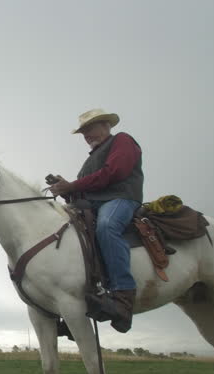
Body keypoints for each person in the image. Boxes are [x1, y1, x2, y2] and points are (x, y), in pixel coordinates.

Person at [50, 108, 144, 332]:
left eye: (90, 129)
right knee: (68, 231)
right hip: (94, 204)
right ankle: (80, 297)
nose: (87, 136)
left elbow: (115, 173)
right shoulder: (90, 160)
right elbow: (86, 190)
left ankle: (123, 296)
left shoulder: (122, 141)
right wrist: (67, 190)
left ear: (106, 125)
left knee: (107, 226)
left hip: (121, 198)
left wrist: (73, 185)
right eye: (83, 133)